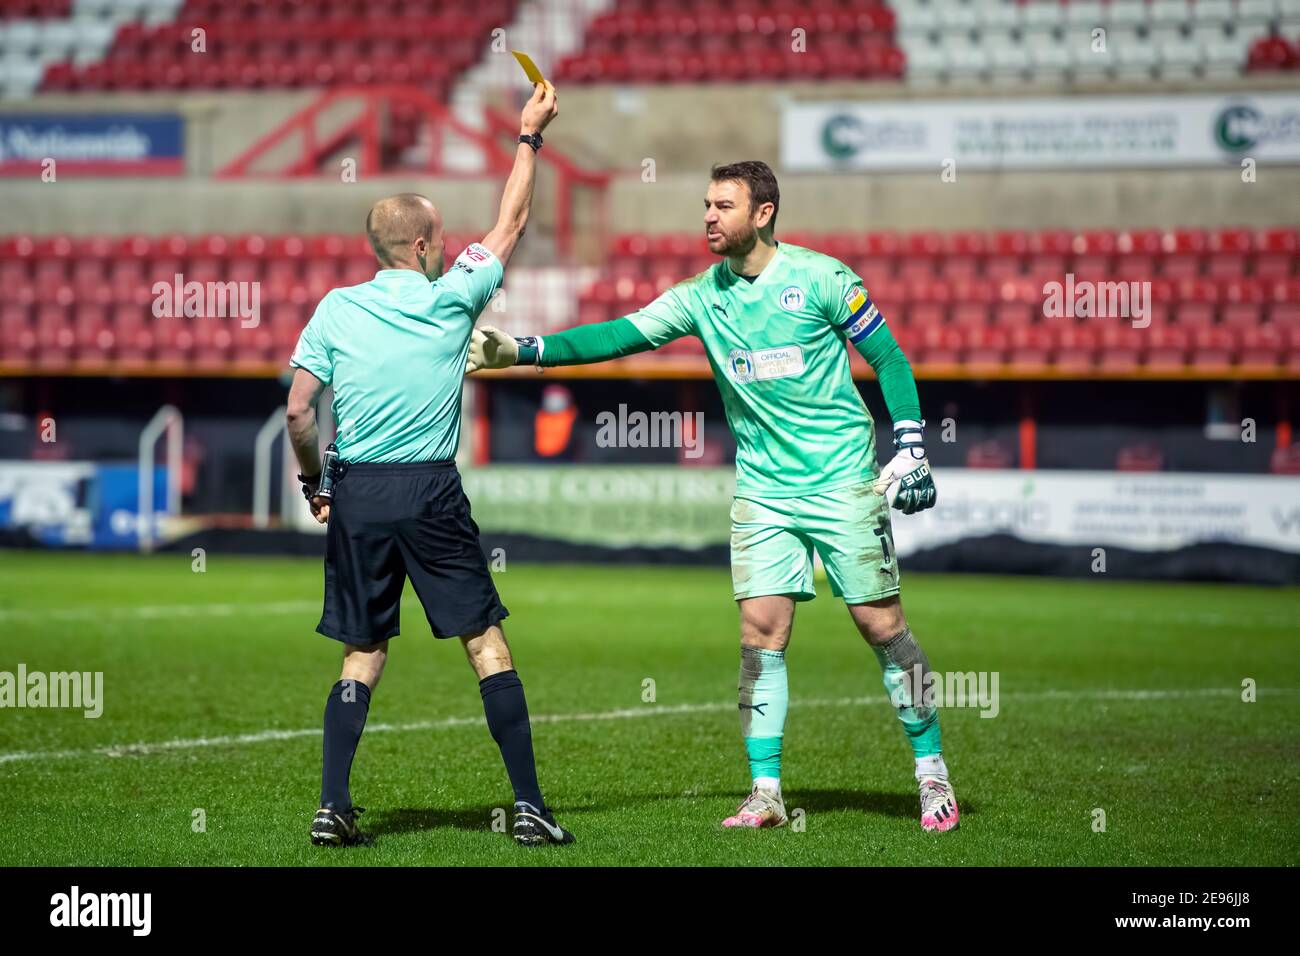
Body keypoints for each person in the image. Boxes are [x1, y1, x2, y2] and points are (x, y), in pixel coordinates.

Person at [467, 160, 958, 833]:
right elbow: (618, 335)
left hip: (844, 480)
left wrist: (909, 441)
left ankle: (932, 774)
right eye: (704, 204)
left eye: (723, 205)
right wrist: (522, 349)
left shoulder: (824, 279)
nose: (707, 216)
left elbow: (891, 358)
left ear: (763, 213)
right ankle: (766, 792)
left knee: (884, 628)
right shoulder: (703, 295)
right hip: (763, 491)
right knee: (760, 635)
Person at [285, 81, 574, 848]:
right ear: (420, 247)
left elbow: (297, 410)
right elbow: (511, 221)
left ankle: (332, 805)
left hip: (357, 491)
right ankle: (529, 807)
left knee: (362, 651)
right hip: (430, 488)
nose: (447, 246)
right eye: (440, 237)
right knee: (485, 642)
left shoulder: (335, 310)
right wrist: (529, 136)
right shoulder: (452, 297)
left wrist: (317, 485)